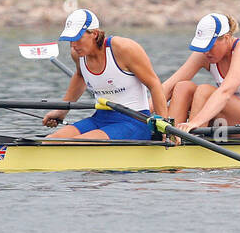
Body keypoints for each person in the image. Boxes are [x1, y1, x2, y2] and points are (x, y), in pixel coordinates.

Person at [42, 9, 170, 140]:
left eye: (78, 38)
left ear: (95, 34)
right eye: (70, 40)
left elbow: (154, 84)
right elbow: (80, 77)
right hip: (100, 118)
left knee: (75, 144)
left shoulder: (124, 48)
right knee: (49, 140)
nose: (73, 45)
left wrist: (163, 124)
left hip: (134, 122)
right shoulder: (78, 54)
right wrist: (61, 111)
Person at [163, 13, 240, 139]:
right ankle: (170, 138)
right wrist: (144, 111)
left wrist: (195, 123)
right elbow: (167, 87)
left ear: (226, 38)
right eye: (203, 46)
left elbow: (225, 92)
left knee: (205, 91)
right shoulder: (205, 54)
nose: (206, 51)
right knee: (183, 87)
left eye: (210, 46)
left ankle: (193, 139)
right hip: (233, 121)